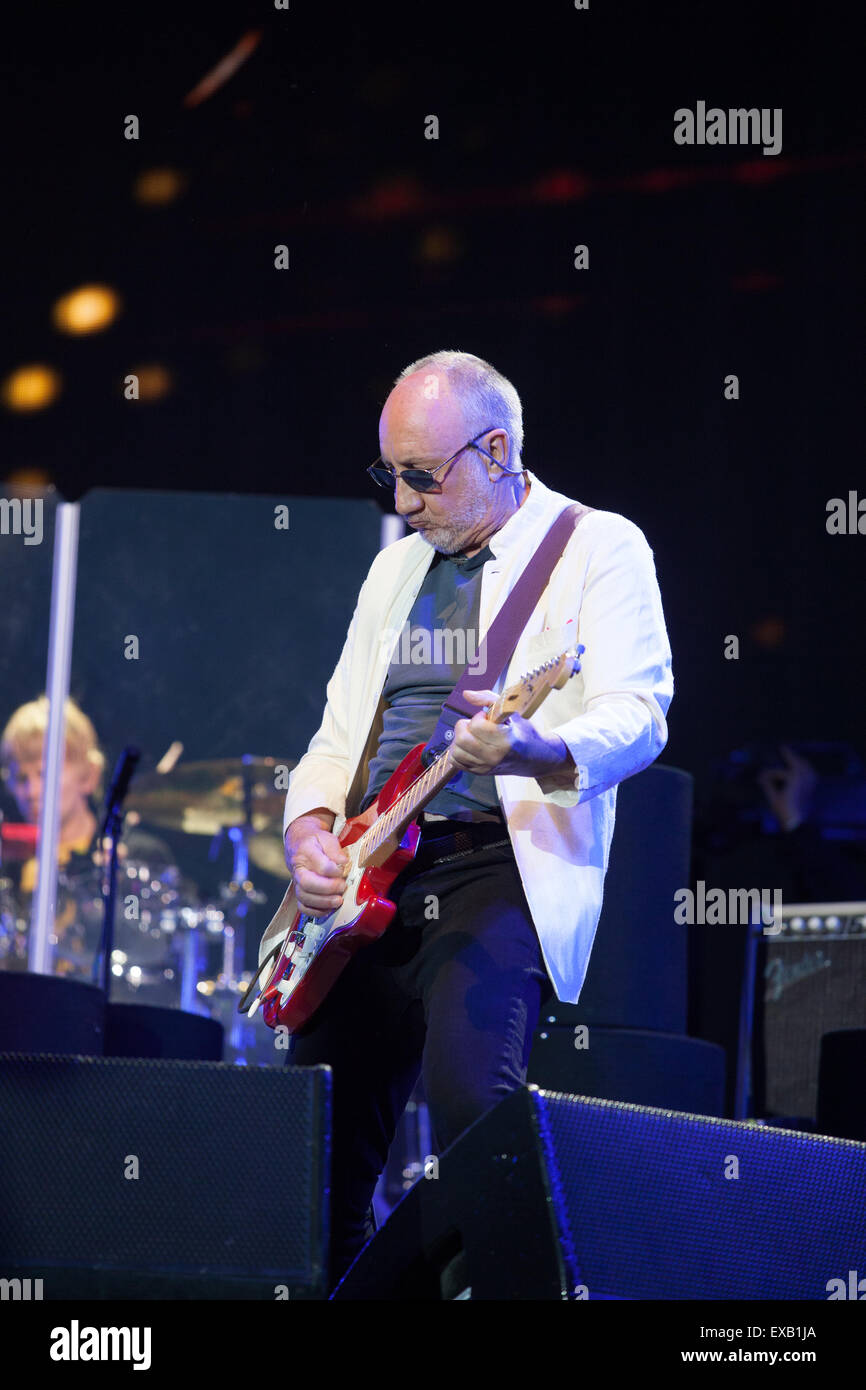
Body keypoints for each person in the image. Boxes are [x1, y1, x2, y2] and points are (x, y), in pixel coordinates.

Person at [273, 350, 674, 1293]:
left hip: (495, 863)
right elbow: (337, 735)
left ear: (495, 450)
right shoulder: (394, 573)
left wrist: (535, 748)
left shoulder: (598, 546)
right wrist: (308, 836)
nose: (402, 502)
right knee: (312, 1146)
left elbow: (641, 710)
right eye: (391, 475)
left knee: (473, 1104)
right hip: (369, 874)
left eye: (420, 475)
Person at [0, 695, 174, 978]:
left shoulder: (137, 855)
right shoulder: (11, 864)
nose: (30, 792)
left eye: (44, 774)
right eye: (21, 778)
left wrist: (111, 889)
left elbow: (158, 958)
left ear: (89, 775)